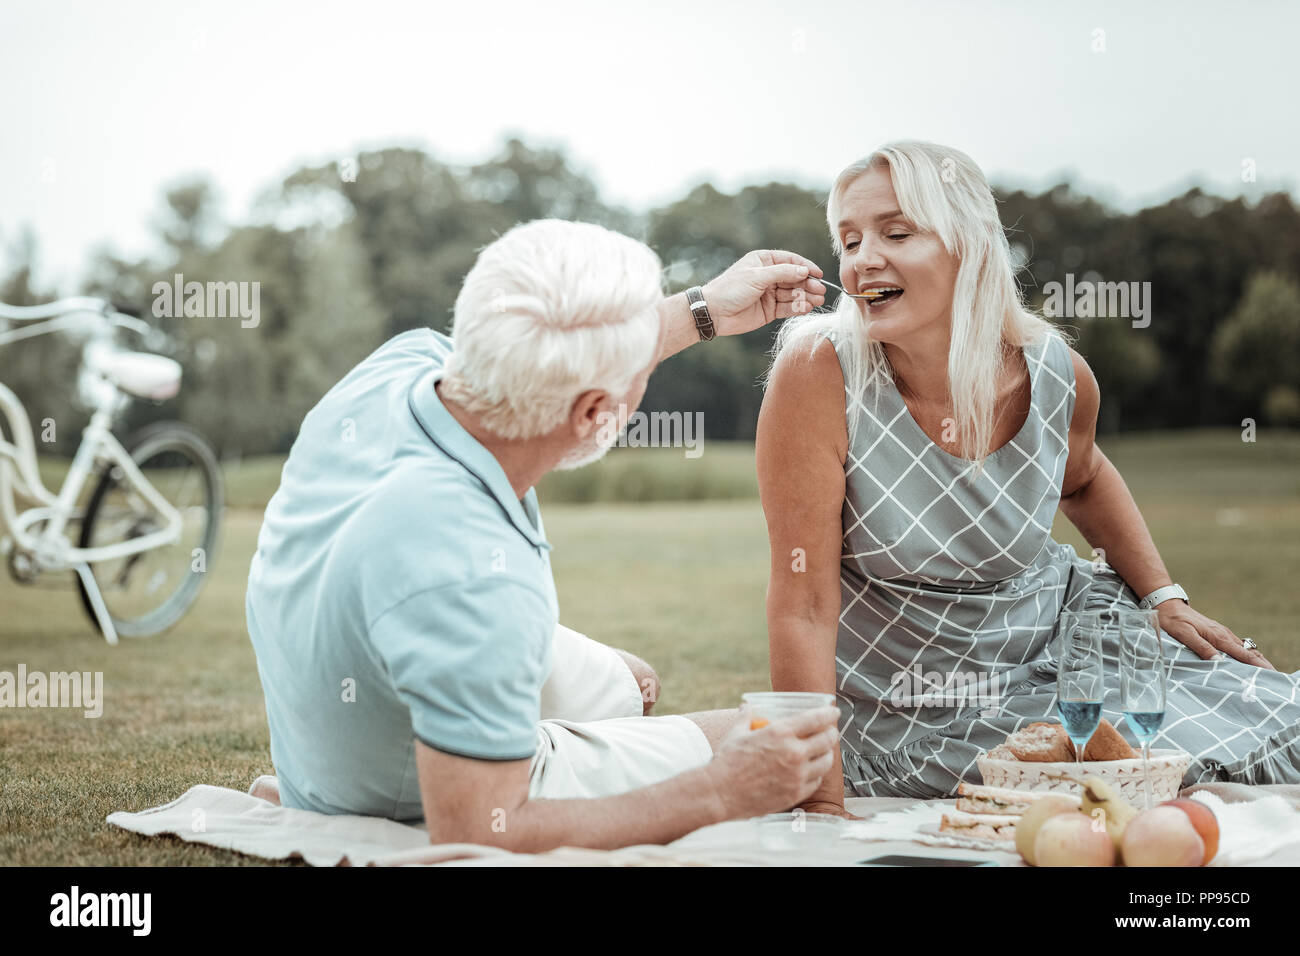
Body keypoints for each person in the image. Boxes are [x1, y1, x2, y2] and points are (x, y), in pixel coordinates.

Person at [245, 218, 840, 851]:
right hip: (389, 783)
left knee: (633, 683)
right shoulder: (472, 573)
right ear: (593, 413)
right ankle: (367, 808)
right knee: (773, 752)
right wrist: (723, 790)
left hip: (355, 648)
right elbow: (482, 829)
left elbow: (545, 343)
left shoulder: (402, 364)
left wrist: (703, 311)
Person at [757, 140, 1300, 815]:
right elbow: (803, 606)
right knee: (1146, 774)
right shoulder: (818, 372)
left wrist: (1164, 595)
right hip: (913, 702)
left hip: (1061, 641)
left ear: (971, 245)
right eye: (848, 239)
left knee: (1270, 709)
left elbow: (1084, 476)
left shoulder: (1054, 371)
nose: (863, 258)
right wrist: (820, 807)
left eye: (896, 232)